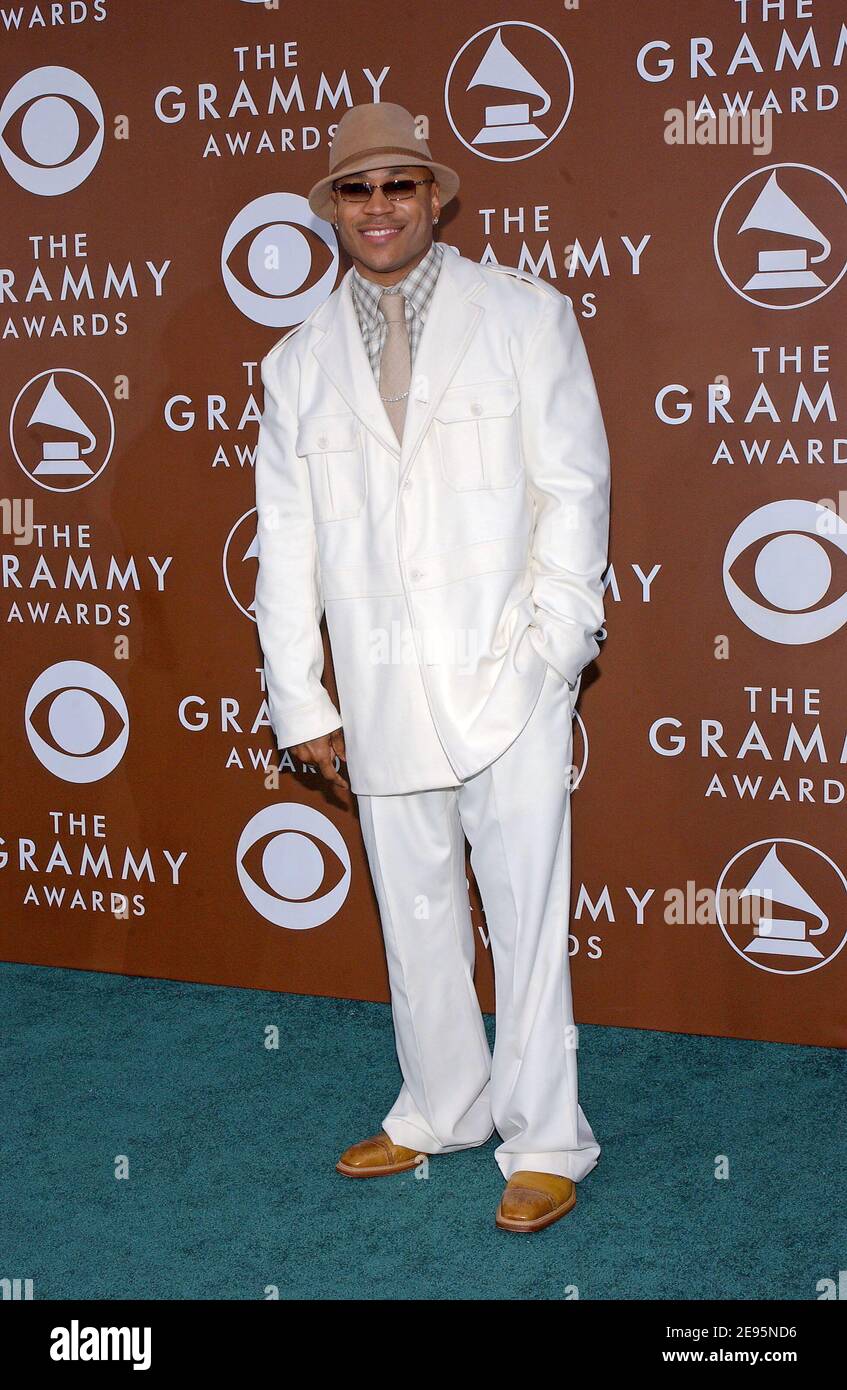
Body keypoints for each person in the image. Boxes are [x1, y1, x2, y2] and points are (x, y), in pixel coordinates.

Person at [254, 102, 611, 1233]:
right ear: (333, 209)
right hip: (380, 682)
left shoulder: (525, 315)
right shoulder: (296, 361)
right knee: (411, 911)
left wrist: (555, 645)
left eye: (398, 186)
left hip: (509, 672)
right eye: (356, 191)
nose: (378, 209)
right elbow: (288, 541)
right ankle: (439, 1108)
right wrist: (301, 697)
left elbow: (574, 488)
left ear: (436, 197)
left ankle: (547, 1136)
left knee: (525, 914)